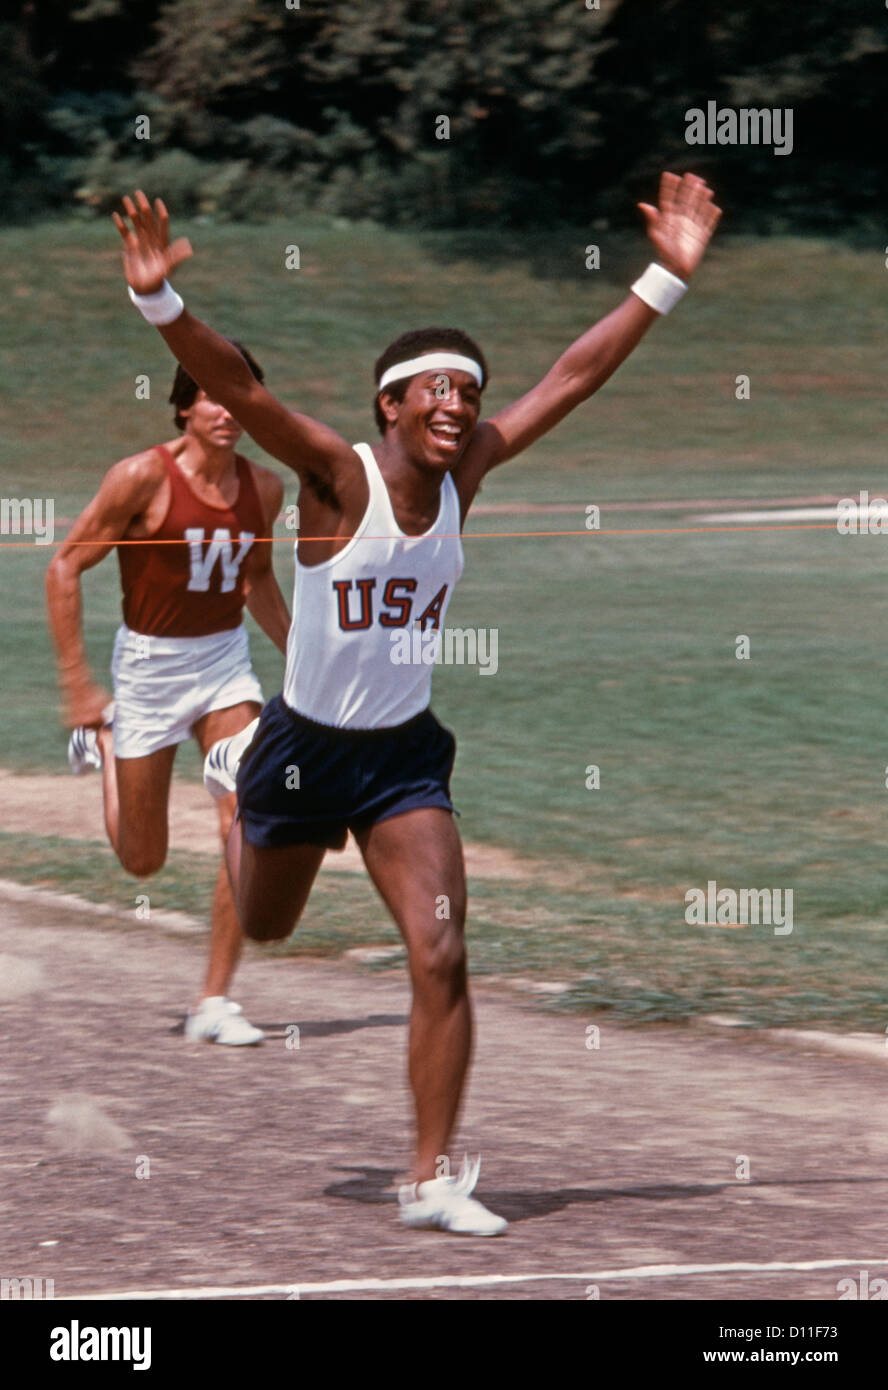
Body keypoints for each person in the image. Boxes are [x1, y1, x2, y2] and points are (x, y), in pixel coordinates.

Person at [112, 172, 721, 1232]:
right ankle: (236, 773)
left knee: (440, 950)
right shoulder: (333, 474)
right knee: (269, 923)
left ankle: (430, 1178)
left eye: (470, 392)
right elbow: (241, 391)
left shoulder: (465, 473)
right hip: (301, 749)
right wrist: (158, 300)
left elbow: (573, 377)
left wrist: (663, 276)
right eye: (436, 390)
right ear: (389, 405)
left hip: (400, 759)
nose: (459, 405)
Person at [45, 349, 291, 1045]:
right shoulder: (141, 477)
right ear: (184, 406)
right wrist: (78, 686)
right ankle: (103, 739)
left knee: (247, 812)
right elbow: (64, 567)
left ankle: (213, 1000)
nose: (227, 408)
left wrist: (305, 662)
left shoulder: (266, 488)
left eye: (239, 394)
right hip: (149, 670)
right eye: (212, 395)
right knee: (142, 859)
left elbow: (257, 579)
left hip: (223, 664)